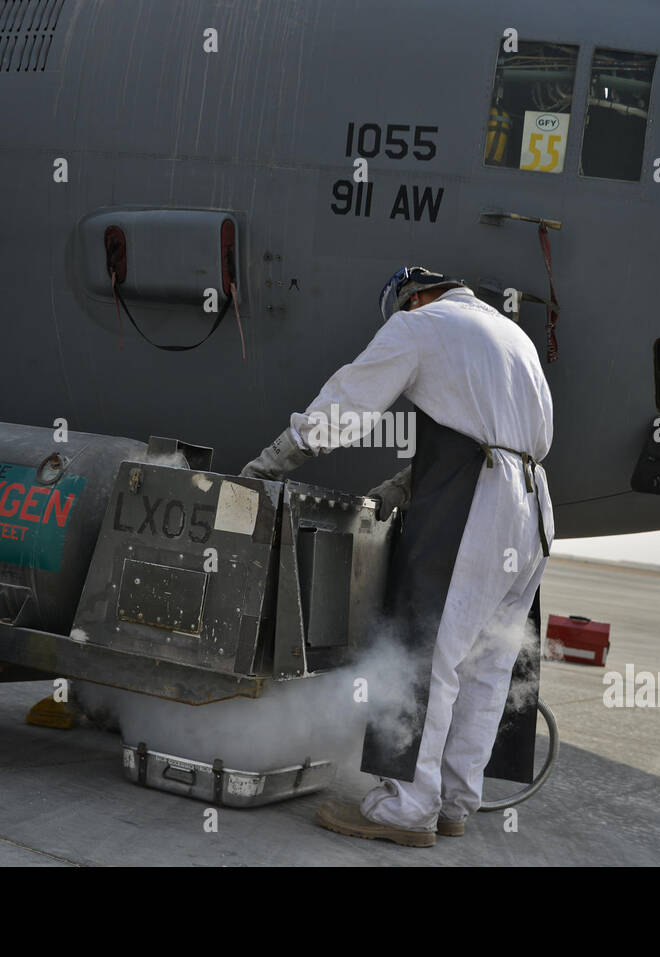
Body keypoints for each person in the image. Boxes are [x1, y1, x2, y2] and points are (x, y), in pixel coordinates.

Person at [241, 266, 554, 848]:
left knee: (425, 653)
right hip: (533, 511)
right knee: (484, 667)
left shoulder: (421, 324)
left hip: (477, 508)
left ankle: (406, 809)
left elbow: (344, 406)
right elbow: (496, 439)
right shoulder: (513, 339)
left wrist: (271, 464)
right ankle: (455, 802)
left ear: (412, 298)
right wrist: (403, 486)